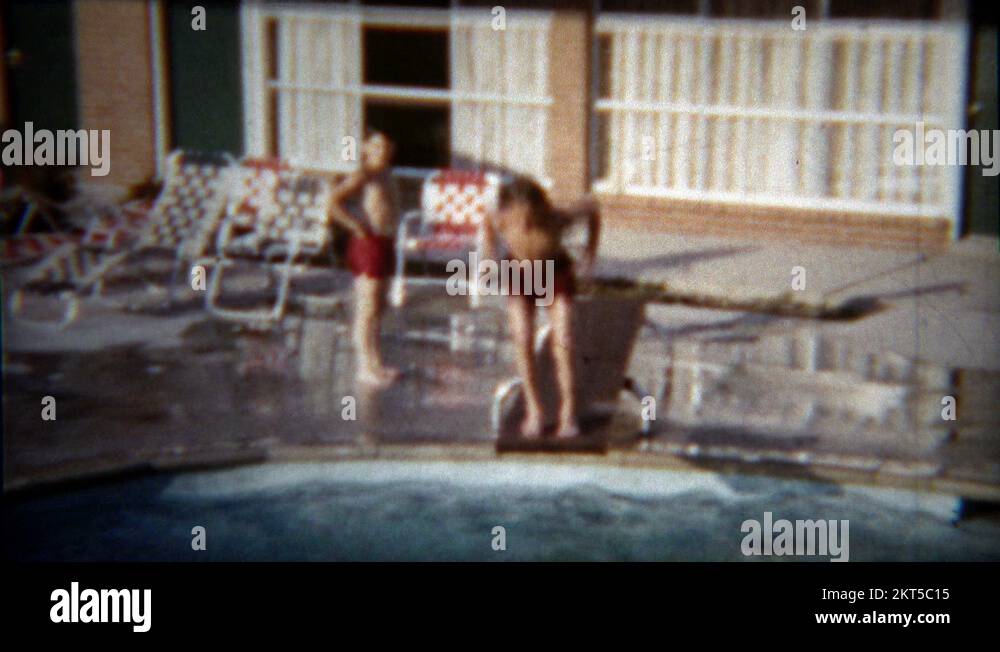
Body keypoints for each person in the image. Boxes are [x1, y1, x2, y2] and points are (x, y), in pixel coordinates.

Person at [482, 176, 600, 438]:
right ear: (507, 211)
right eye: (519, 218)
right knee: (522, 340)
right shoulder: (499, 217)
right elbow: (487, 223)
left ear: (541, 209)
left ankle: (567, 411)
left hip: (555, 274)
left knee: (564, 341)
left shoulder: (557, 219)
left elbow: (592, 207)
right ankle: (534, 410)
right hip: (519, 274)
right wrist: (488, 259)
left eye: (531, 216)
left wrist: (589, 256)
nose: (525, 224)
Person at [329, 131, 400, 388]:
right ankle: (363, 367)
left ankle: (376, 362)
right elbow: (333, 202)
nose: (382, 151)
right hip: (367, 244)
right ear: (367, 149)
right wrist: (355, 226)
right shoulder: (363, 175)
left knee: (379, 307)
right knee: (367, 307)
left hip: (384, 243)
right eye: (377, 147)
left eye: (386, 146)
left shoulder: (386, 175)